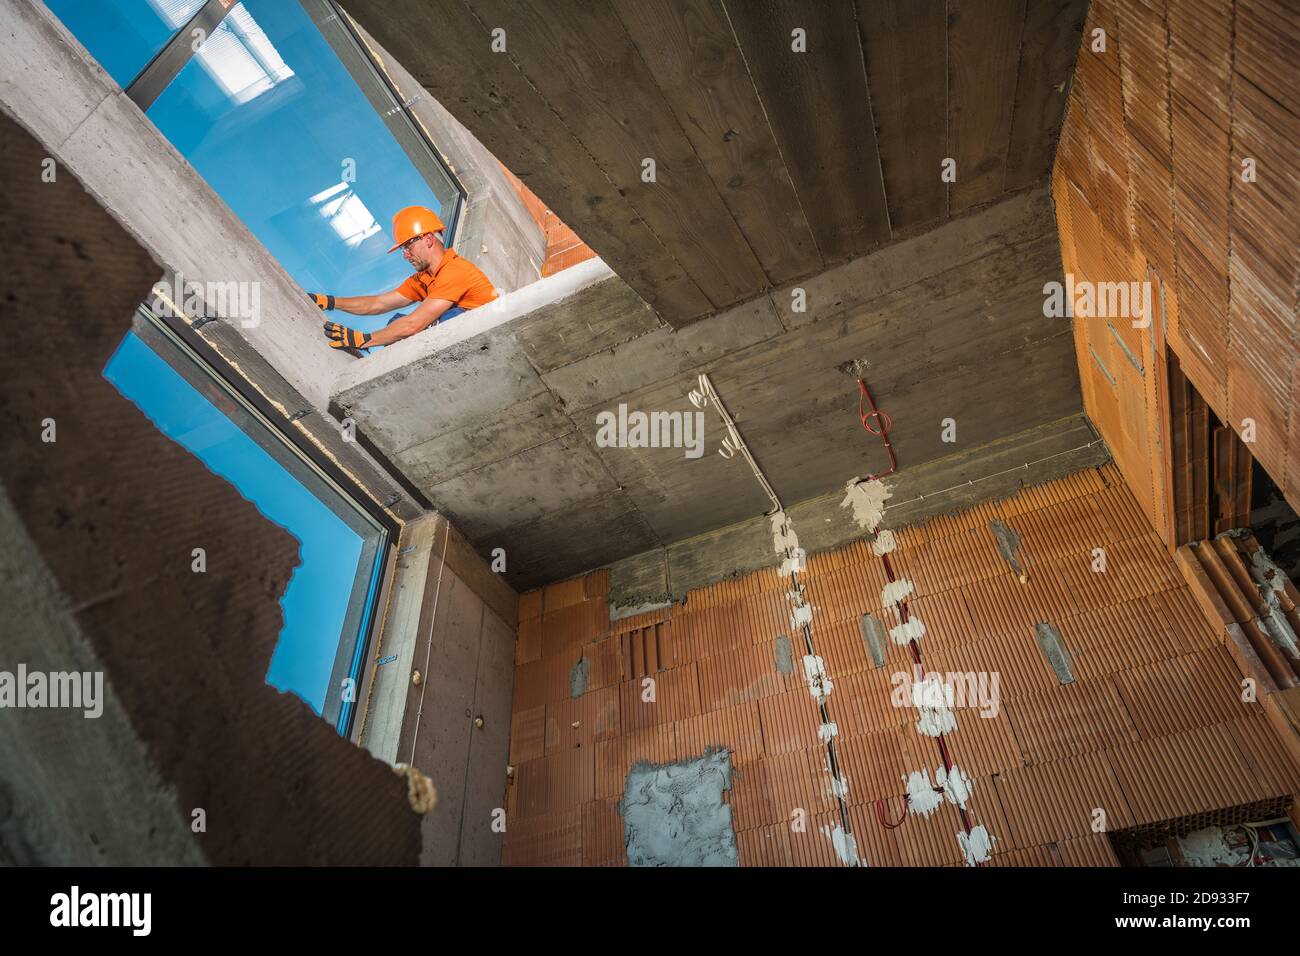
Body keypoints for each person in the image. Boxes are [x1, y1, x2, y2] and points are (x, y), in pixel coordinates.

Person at [308, 204, 498, 354]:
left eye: (408, 247)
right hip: (462, 344)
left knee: (441, 319)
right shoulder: (424, 278)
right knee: (396, 322)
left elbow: (414, 324)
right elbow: (378, 303)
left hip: (490, 341)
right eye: (403, 249)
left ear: (428, 240)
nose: (405, 255)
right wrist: (330, 302)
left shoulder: (456, 270)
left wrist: (365, 339)